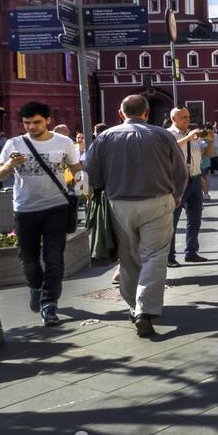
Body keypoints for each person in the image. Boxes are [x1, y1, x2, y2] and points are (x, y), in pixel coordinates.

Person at [84, 95, 186, 335]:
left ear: (121, 114)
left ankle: (133, 307)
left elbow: (92, 174)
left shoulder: (105, 137)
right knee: (155, 256)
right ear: (147, 113)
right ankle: (144, 308)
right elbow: (180, 170)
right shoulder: (162, 135)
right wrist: (178, 193)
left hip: (119, 203)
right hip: (158, 201)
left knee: (128, 258)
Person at [0, 102, 80, 327]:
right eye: (27, 123)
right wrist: (11, 163)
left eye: (37, 122)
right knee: (28, 260)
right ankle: (36, 287)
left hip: (57, 207)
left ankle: (49, 304)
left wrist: (84, 193)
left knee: (54, 257)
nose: (31, 127)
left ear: (48, 120)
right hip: (25, 209)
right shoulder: (14, 144)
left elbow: (77, 171)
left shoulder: (64, 142)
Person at [166, 107, 212, 266]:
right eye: (183, 117)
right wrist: (188, 138)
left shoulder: (194, 135)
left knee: (195, 218)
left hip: (195, 178)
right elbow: (169, 149)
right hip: (177, 182)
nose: (187, 120)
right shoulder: (168, 135)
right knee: (172, 220)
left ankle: (191, 252)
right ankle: (169, 256)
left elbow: (207, 154)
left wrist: (210, 141)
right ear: (174, 119)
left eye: (188, 117)